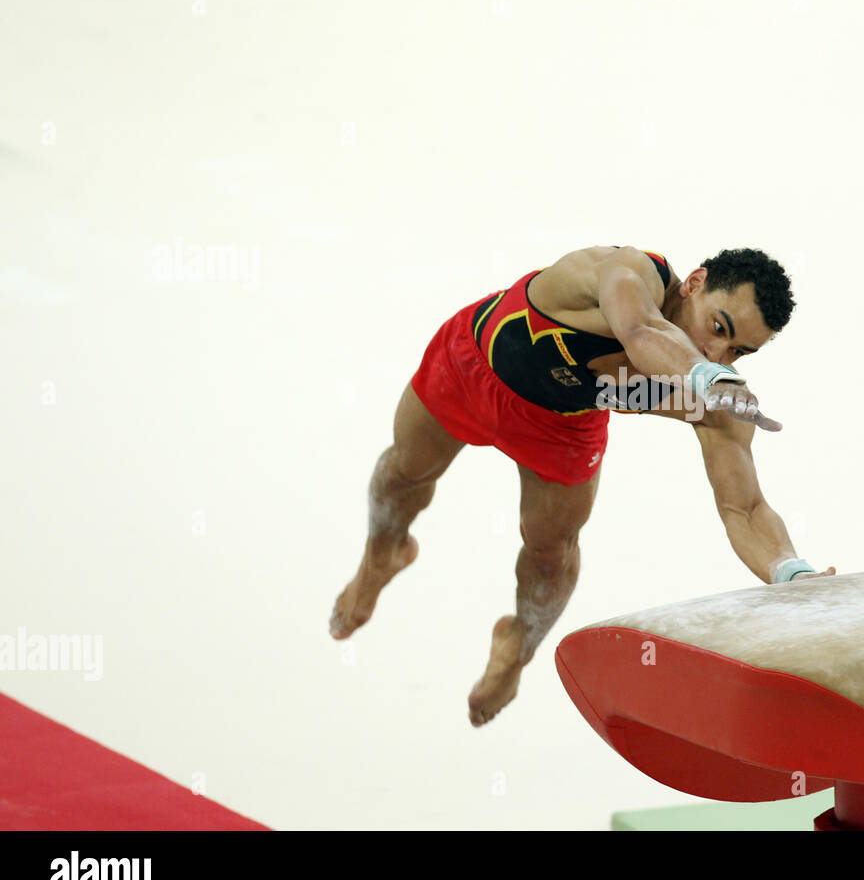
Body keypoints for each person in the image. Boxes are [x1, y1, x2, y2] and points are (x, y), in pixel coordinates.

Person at [330, 244, 836, 726]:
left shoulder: (713, 390)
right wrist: (703, 375)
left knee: (552, 550)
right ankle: (385, 550)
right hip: (471, 366)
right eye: (717, 326)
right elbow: (639, 332)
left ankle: (519, 645)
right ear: (695, 283)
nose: (718, 351)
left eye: (738, 351)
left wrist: (790, 572)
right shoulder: (624, 272)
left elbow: (744, 508)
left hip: (561, 426)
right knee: (402, 472)